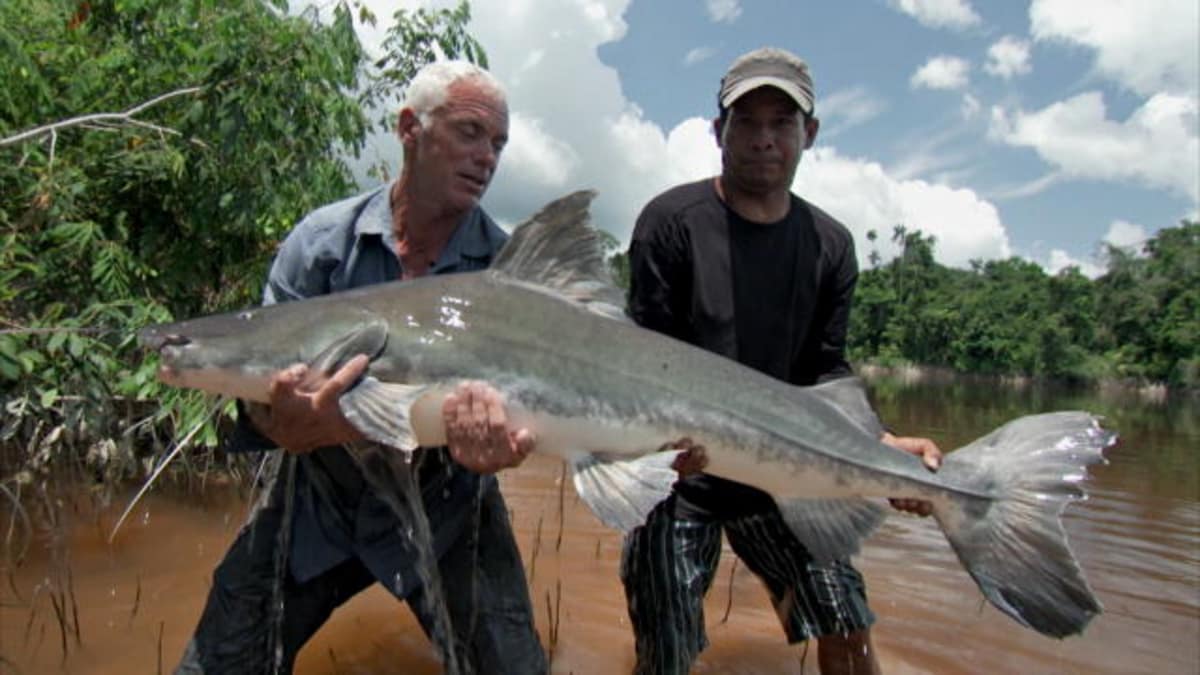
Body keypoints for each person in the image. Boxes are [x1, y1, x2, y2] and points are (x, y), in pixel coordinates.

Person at [175, 60, 547, 674]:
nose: (487, 157)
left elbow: (531, 408)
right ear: (410, 128)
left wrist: (503, 447)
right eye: (469, 132)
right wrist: (276, 423)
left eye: (498, 144)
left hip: (451, 500)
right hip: (317, 493)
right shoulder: (319, 244)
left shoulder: (509, 274)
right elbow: (259, 377)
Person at [620, 47, 943, 675]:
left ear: (809, 133)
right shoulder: (670, 224)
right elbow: (646, 361)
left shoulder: (831, 245)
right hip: (679, 476)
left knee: (848, 629)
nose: (763, 139)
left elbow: (826, 369)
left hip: (785, 474)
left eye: (781, 122)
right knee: (666, 655)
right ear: (719, 131)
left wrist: (879, 445)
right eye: (746, 121)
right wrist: (655, 451)